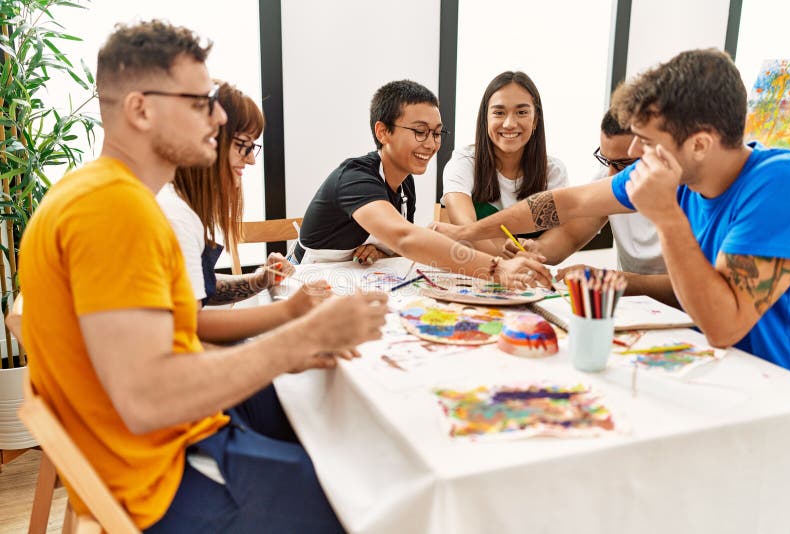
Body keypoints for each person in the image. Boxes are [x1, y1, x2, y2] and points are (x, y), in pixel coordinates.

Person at [19, 20, 388, 532]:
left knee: (329, 433)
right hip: (160, 474)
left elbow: (169, 342)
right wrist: (300, 335)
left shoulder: (104, 193)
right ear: (141, 109)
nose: (216, 115)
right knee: (361, 497)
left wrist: (296, 344)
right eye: (198, 101)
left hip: (162, 445)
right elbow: (148, 398)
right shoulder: (113, 208)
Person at [433, 48, 790, 373]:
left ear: (700, 144)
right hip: (707, 365)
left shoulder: (780, 183)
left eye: (649, 141)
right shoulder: (670, 169)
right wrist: (469, 233)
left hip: (774, 387)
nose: (636, 152)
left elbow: (723, 327)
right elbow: (568, 203)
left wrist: (667, 217)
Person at [293, 79, 552, 288]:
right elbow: (406, 237)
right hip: (306, 281)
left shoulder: (405, 184)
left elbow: (397, 243)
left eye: (437, 133)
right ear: (383, 132)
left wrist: (383, 251)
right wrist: (497, 268)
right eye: (420, 131)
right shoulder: (354, 178)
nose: (431, 144)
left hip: (351, 280)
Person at [158, 81, 319, 344]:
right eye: (244, 144)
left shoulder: (182, 207)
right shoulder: (176, 217)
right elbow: (192, 324)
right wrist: (290, 310)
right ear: (208, 139)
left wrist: (259, 280)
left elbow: (197, 288)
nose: (252, 159)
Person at [504, 111, 674, 304]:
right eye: (606, 160)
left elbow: (696, 290)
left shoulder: (693, 194)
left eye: (623, 164)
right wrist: (537, 249)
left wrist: (611, 280)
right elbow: (570, 234)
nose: (611, 175)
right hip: (632, 310)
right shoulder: (610, 176)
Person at [442, 71, 568, 254]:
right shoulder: (464, 161)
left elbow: (558, 235)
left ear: (535, 120)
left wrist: (530, 257)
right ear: (486, 118)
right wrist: (512, 261)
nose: (509, 123)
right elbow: (465, 227)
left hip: (529, 276)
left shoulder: (553, 171)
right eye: (499, 113)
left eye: (522, 112)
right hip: (477, 272)